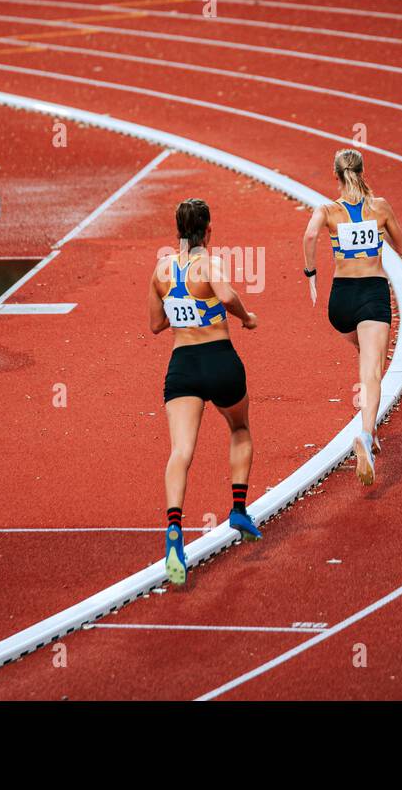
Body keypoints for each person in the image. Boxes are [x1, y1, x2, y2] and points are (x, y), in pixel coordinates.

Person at [149, 198, 260, 586]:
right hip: (219, 360)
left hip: (182, 368)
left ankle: (174, 532)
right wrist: (246, 318)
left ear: (177, 231)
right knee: (239, 428)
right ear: (208, 230)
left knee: (181, 452)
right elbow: (227, 297)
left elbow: (155, 325)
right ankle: (238, 509)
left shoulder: (161, 270)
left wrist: (179, 307)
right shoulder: (209, 264)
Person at [302, 149, 402, 486]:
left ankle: (370, 427)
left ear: (336, 176)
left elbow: (308, 236)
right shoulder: (380, 206)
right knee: (371, 372)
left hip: (340, 300)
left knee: (368, 357)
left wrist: (310, 273)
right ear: (363, 172)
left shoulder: (328, 210)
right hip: (372, 295)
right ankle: (365, 433)